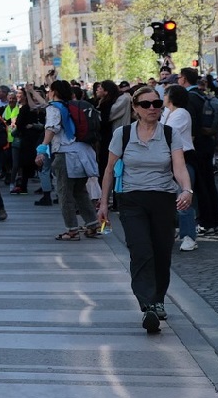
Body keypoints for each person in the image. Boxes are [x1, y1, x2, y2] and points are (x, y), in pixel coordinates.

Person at [98, 88, 192, 334]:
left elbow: (179, 167)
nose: (153, 107)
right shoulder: (123, 133)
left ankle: (158, 298)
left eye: (157, 103)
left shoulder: (170, 134)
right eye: (146, 104)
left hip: (162, 198)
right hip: (131, 199)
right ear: (135, 108)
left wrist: (186, 190)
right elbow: (109, 169)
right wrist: (103, 203)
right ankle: (148, 304)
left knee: (161, 252)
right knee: (141, 250)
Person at [45, 80, 99, 240]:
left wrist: (42, 148)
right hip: (83, 152)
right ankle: (92, 225)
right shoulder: (72, 106)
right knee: (80, 191)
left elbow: (52, 128)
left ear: (54, 92)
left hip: (65, 155)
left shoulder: (54, 108)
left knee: (64, 193)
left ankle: (72, 230)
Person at [178, 68, 218, 236]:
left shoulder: (189, 98)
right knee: (209, 184)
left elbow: (192, 126)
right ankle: (215, 221)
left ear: (183, 79)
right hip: (207, 144)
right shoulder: (201, 94)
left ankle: (206, 222)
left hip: (197, 147)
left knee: (200, 186)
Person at [162, 84, 199, 250]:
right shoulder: (168, 113)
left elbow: (166, 132)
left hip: (183, 159)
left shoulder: (181, 113)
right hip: (169, 160)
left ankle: (189, 236)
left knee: (183, 198)